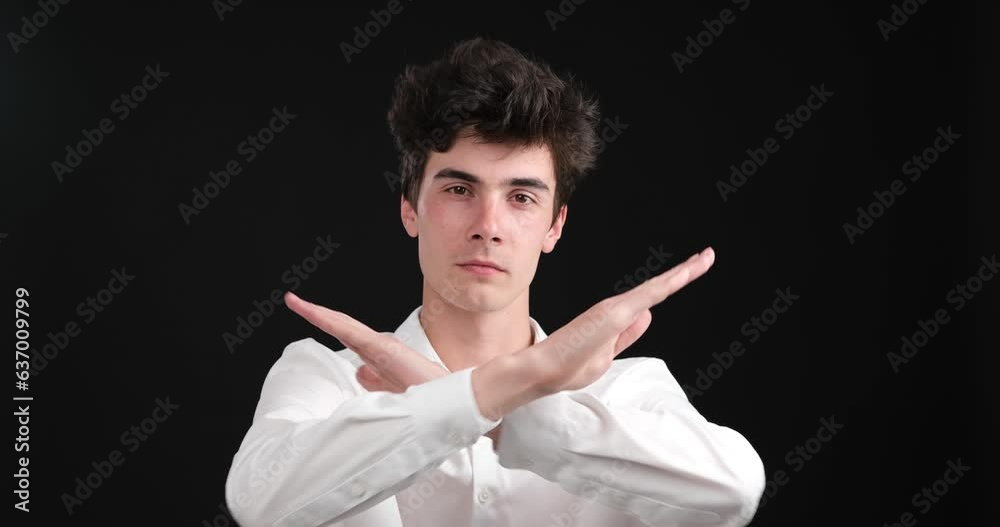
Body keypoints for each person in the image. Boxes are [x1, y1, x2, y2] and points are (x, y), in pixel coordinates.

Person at [225, 37, 765, 527]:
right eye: (459, 190)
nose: (488, 227)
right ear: (410, 209)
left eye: (522, 197)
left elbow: (733, 493)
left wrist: (505, 413)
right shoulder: (327, 376)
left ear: (555, 226)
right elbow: (261, 503)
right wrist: (499, 389)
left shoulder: (626, 389)